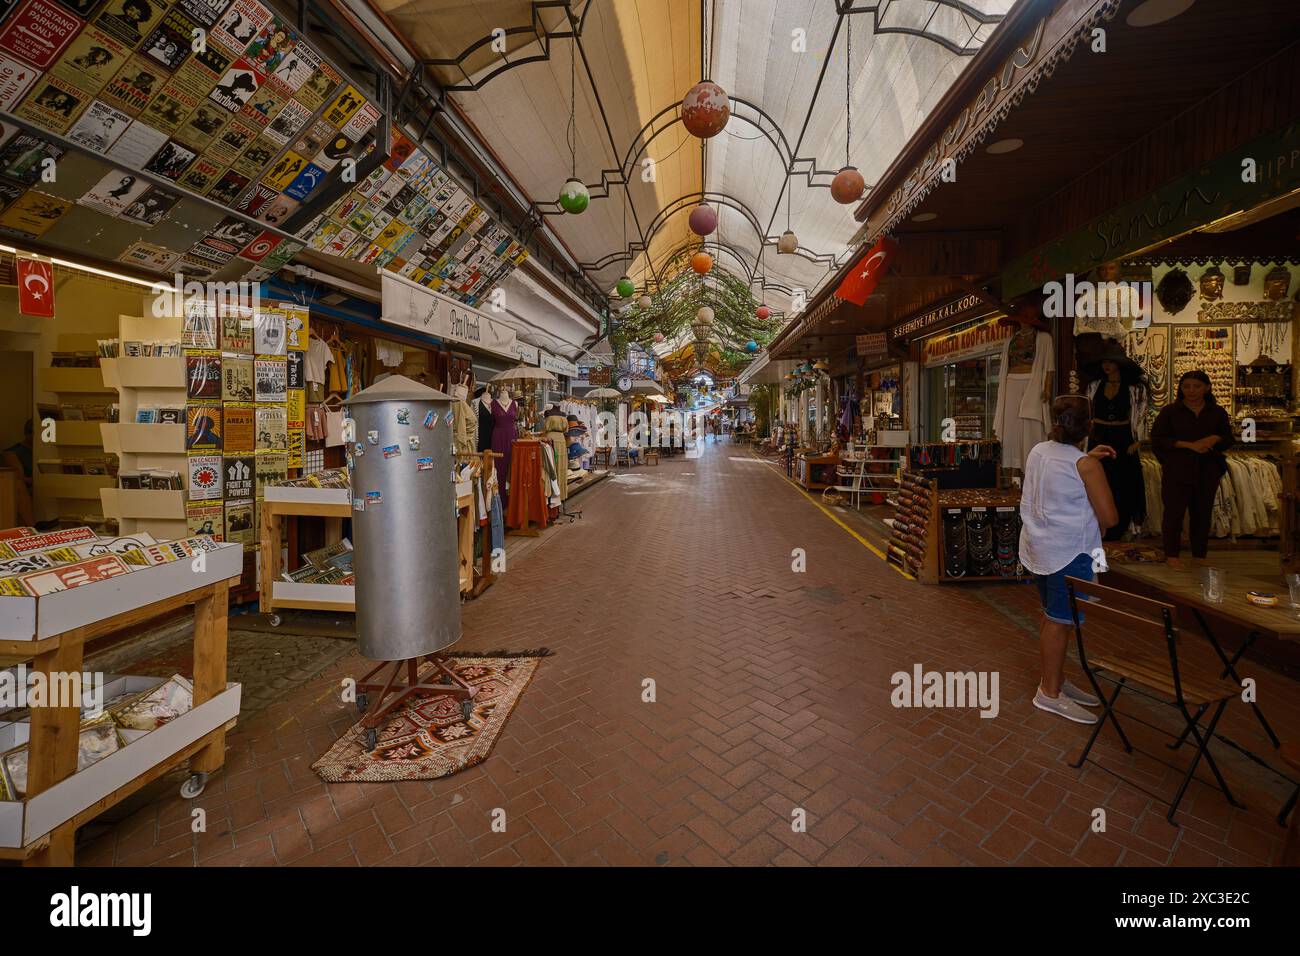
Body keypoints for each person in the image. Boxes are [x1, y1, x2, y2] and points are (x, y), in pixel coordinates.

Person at [1019, 395, 1118, 725]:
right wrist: (1089, 465)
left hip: (1041, 548)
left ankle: (1056, 680)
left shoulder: (1039, 451)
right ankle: (1048, 693)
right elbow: (1110, 516)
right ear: (1088, 426)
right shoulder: (1086, 466)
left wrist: (1084, 461)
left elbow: (1059, 473)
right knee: (1060, 623)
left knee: (1052, 618)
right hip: (1071, 552)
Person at [1150, 369, 1234, 568]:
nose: (1191, 391)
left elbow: (1229, 438)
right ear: (1181, 388)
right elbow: (1158, 439)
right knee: (1174, 513)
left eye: (1196, 386)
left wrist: (1215, 438)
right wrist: (1188, 445)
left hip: (1207, 468)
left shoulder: (1217, 412)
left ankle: (1199, 554)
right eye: (1186, 386)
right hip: (1178, 468)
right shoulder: (1170, 411)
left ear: (1207, 388)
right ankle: (1172, 554)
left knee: (1202, 512)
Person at [1084, 356, 1150, 540]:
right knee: (1098, 480)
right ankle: (1097, 523)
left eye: (1111, 362)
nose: (1107, 366)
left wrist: (1138, 440)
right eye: (1105, 362)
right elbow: (1087, 411)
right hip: (1098, 436)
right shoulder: (1094, 386)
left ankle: (1121, 525)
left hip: (1123, 438)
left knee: (1124, 483)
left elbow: (1141, 413)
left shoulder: (1134, 389)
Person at [1, 419, 35, 526]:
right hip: (26, 486)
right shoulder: (13, 453)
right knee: (19, 486)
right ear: (28, 434)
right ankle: (32, 527)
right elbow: (18, 478)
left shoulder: (41, 451)